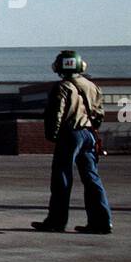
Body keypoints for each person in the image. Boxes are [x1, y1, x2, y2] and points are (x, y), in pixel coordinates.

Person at [32, 50, 112, 235]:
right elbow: (99, 113)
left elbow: (56, 113)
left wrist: (53, 134)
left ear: (58, 67)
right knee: (92, 178)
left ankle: (56, 221)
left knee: (62, 178)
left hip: (70, 135)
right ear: (81, 66)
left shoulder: (62, 87)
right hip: (89, 134)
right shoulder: (92, 86)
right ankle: (101, 222)